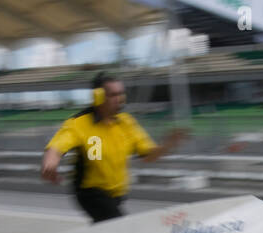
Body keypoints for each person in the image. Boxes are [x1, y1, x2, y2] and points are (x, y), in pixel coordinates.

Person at [40, 72, 186, 222]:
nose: (119, 99)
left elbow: (148, 156)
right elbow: (57, 146)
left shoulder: (126, 123)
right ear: (98, 96)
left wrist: (167, 145)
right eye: (113, 95)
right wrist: (50, 162)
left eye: (121, 94)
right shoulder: (80, 124)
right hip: (91, 192)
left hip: (116, 195)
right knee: (121, 229)